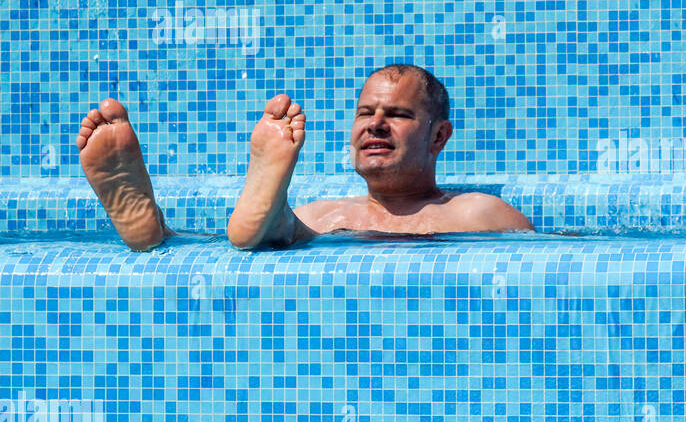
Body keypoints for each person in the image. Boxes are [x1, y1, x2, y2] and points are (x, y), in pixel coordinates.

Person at [76, 63, 533, 250]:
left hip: (332, 246)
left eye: (396, 115)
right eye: (364, 113)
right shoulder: (326, 213)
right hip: (321, 231)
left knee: (281, 234)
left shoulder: (478, 212)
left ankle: (265, 223)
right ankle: (155, 232)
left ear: (439, 137)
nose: (374, 125)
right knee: (263, 234)